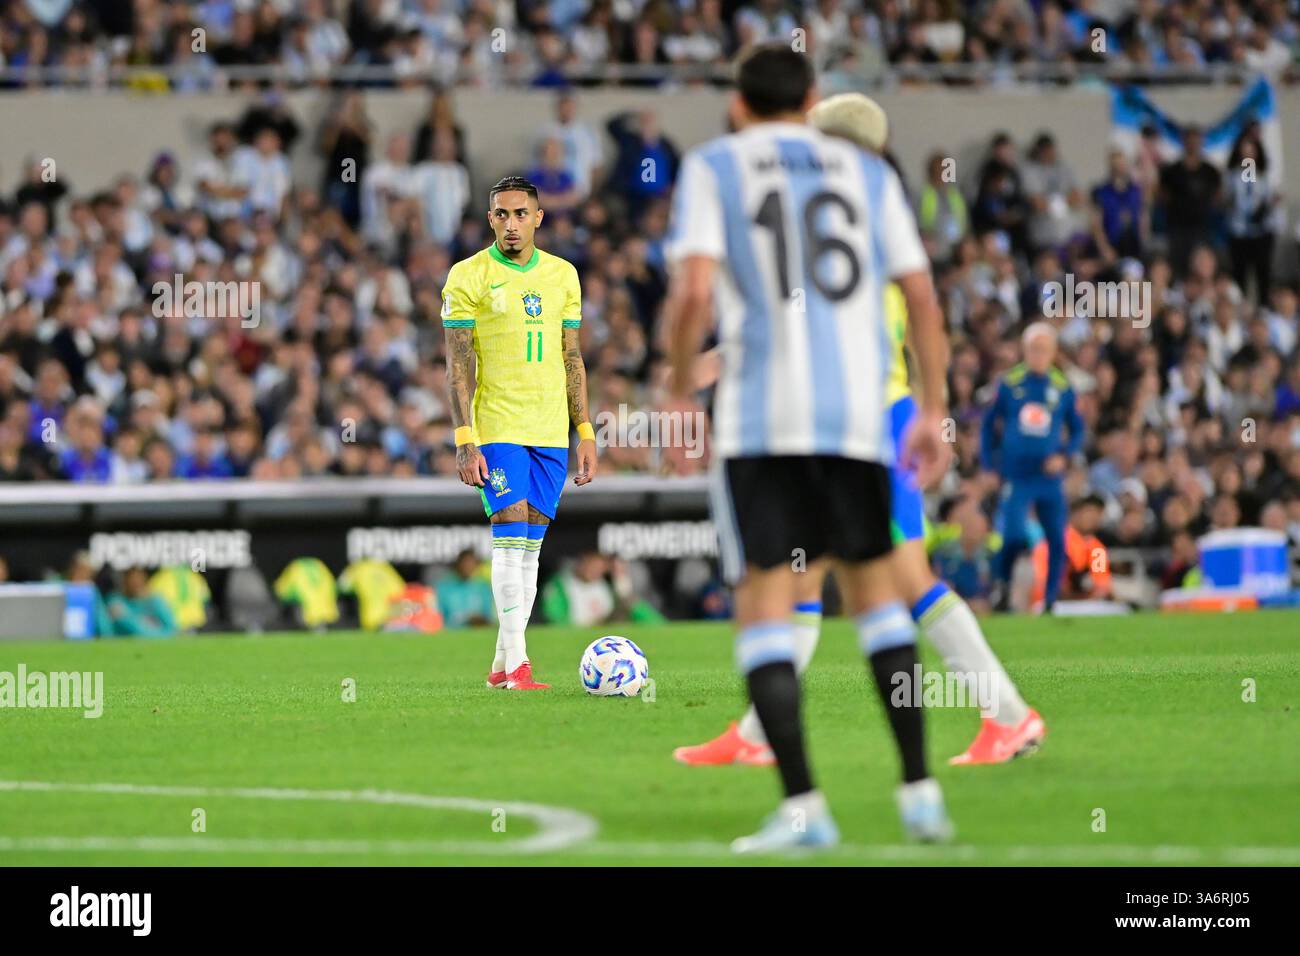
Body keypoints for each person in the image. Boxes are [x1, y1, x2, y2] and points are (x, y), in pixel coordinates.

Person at [675, 92, 1044, 772]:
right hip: (860, 414)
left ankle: (1009, 713)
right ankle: (758, 733)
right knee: (803, 577)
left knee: (906, 576)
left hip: (870, 419)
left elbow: (800, 322)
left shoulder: (838, 219)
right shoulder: (872, 213)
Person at [665, 50, 955, 853]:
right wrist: (932, 407)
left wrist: (680, 381)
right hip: (860, 415)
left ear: (737, 105)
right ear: (814, 98)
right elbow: (923, 296)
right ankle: (921, 791)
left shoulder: (716, 166)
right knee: (878, 598)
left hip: (763, 418)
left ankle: (805, 809)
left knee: (765, 598)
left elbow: (692, 291)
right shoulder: (868, 173)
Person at [442, 176, 598, 691]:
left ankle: (500, 661)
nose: (511, 224)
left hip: (551, 429)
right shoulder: (468, 277)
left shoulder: (563, 276)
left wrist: (586, 432)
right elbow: (457, 366)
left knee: (530, 547)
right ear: (490, 219)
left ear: (538, 218)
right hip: (498, 426)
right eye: (501, 215)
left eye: (520, 214)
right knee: (508, 536)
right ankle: (519, 666)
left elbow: (572, 357)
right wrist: (465, 435)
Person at [981, 323, 1085, 613]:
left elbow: (1077, 429)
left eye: (1044, 350)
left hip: (1049, 477)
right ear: (1024, 351)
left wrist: (1064, 456)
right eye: (1033, 349)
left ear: (1053, 353)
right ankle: (1002, 586)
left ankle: (1050, 600)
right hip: (1017, 474)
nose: (1038, 355)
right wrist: (989, 464)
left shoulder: (1062, 387)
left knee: (1055, 537)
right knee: (1012, 535)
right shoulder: (1009, 383)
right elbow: (988, 425)